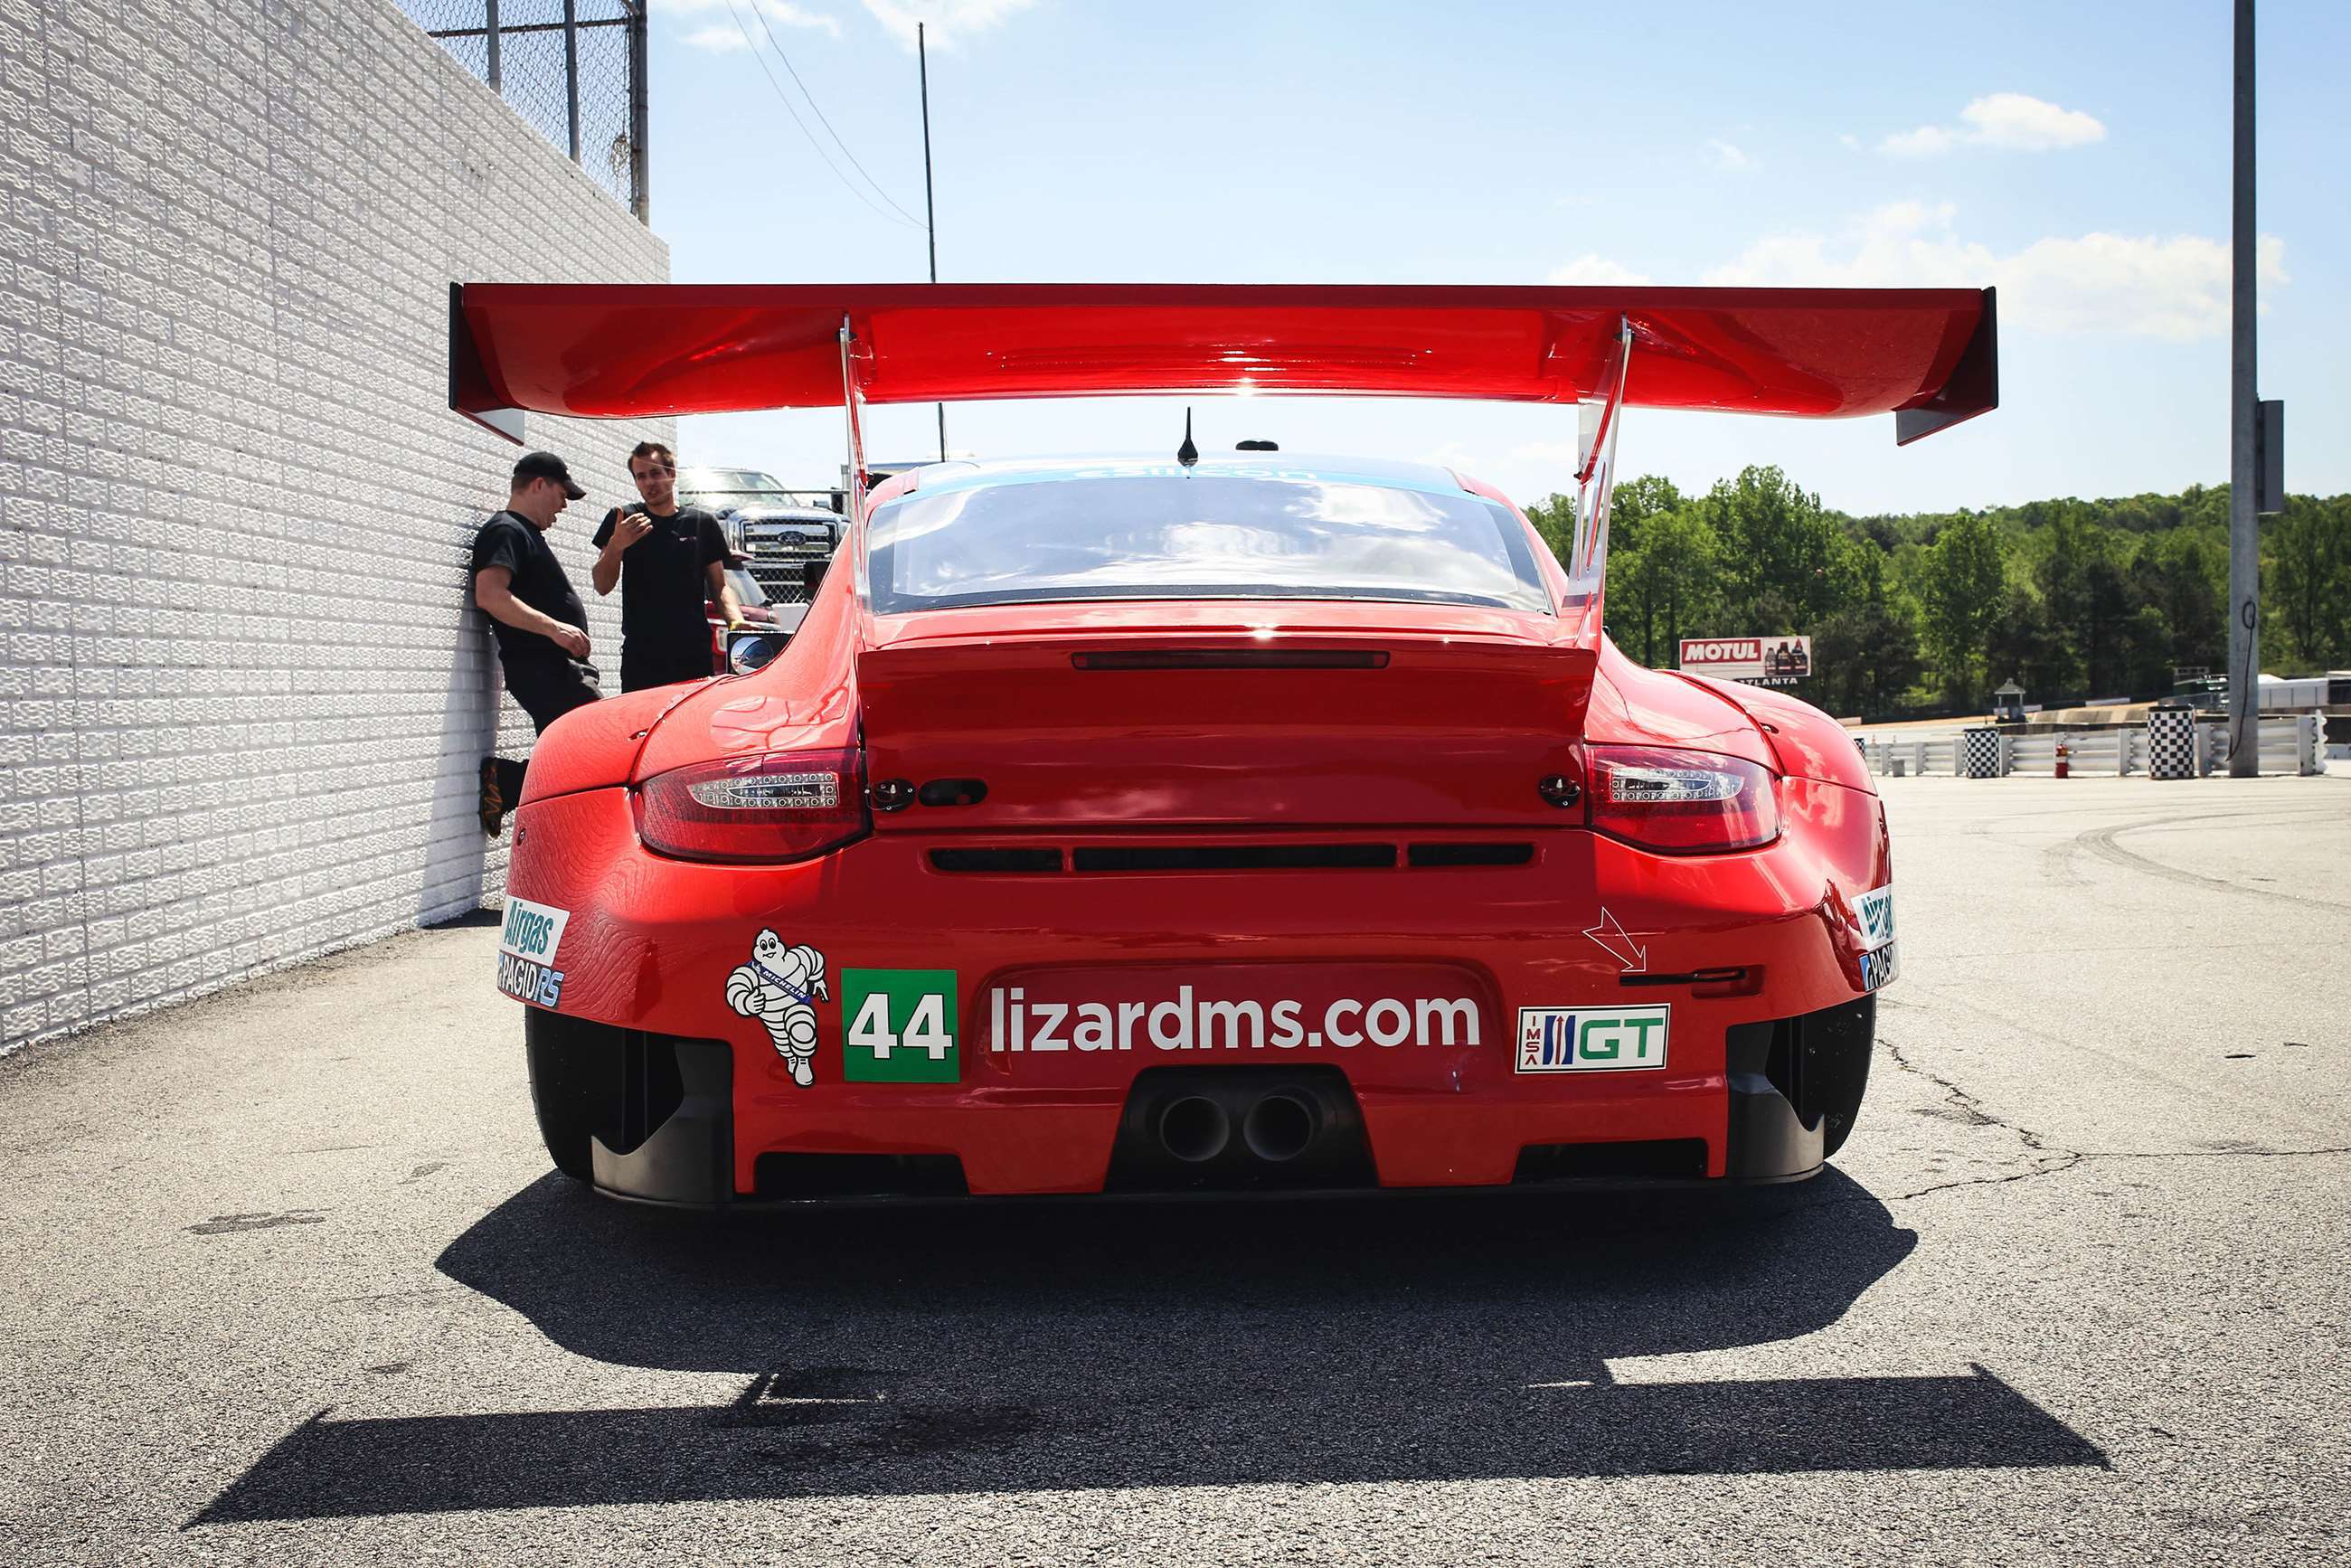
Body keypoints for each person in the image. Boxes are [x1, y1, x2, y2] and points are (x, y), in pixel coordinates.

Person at [471, 450, 600, 836]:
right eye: (562, 495)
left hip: (557, 670)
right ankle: (507, 782)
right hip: (545, 669)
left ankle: (509, 784)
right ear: (539, 484)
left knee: (579, 756)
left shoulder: (525, 533)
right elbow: (490, 594)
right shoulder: (506, 529)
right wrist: (555, 630)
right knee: (598, 749)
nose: (563, 506)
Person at [590, 440, 742, 692]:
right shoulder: (624, 519)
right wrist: (616, 545)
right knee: (641, 726)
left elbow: (719, 586)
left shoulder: (701, 523)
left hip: (692, 653)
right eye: (641, 477)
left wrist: (735, 620)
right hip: (642, 656)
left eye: (655, 473)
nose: (649, 483)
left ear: (671, 475)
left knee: (690, 726)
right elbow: (602, 585)